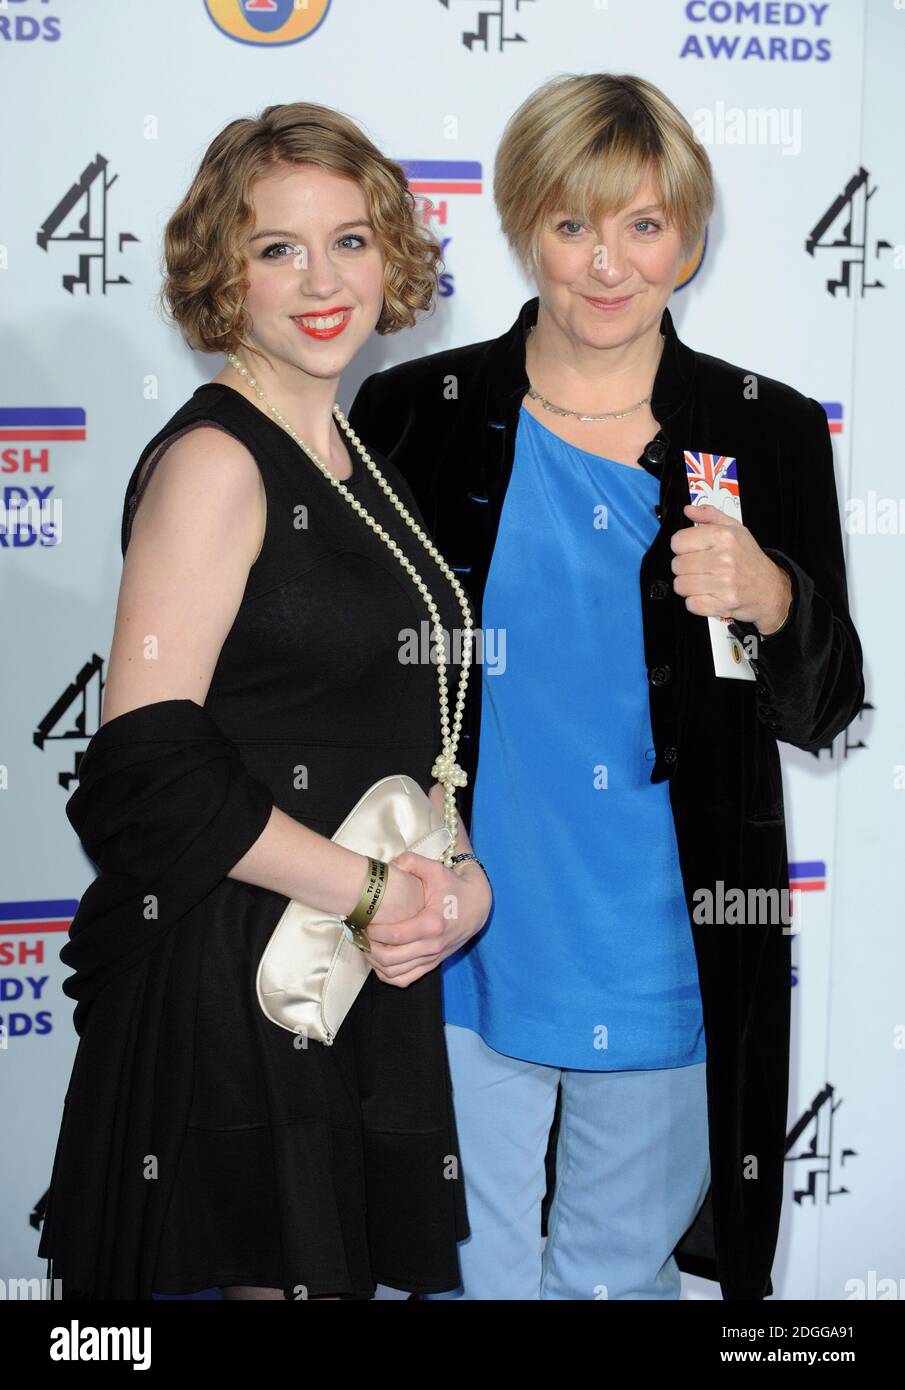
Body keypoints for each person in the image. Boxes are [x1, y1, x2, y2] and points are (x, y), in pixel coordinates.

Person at [348, 73, 865, 1300]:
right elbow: (347, 669)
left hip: (664, 937)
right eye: (572, 223)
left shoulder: (764, 427)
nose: (605, 263)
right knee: (451, 1277)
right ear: (523, 220)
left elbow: (826, 702)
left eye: (642, 225)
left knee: (612, 1283)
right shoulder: (419, 410)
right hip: (455, 928)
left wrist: (773, 595)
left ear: (687, 236)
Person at [37, 101, 491, 1301]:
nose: (322, 279)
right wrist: (376, 893)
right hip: (240, 979)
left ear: (391, 249)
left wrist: (457, 885)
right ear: (220, 272)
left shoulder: (351, 457)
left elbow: (402, 730)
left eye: (349, 238)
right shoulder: (215, 465)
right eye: (276, 248)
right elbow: (148, 766)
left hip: (346, 968)